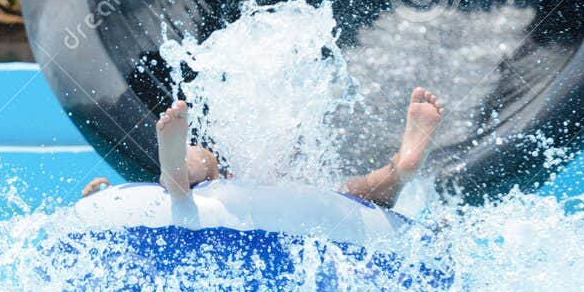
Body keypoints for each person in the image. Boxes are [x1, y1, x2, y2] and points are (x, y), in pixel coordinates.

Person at [148, 87, 445, 209]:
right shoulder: (312, 188)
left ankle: (178, 166)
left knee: (208, 163)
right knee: (359, 193)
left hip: (231, 188)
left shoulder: (223, 178)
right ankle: (399, 170)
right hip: (306, 197)